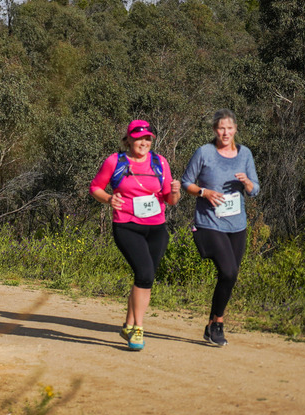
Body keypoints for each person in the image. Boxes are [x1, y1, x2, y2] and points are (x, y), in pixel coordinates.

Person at [89, 119, 180, 351]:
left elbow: (170, 199)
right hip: (127, 225)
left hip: (157, 228)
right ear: (128, 139)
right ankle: (139, 328)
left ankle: (128, 325)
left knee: (144, 278)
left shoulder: (160, 162)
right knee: (145, 274)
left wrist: (176, 193)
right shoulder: (115, 161)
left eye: (147, 138)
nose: (143, 142)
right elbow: (95, 187)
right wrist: (109, 199)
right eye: (138, 138)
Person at [180, 109, 260, 347]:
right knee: (227, 272)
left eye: (229, 128)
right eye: (221, 128)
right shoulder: (204, 152)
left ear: (235, 129)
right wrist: (204, 192)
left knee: (231, 275)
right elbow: (186, 182)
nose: (225, 132)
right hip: (209, 223)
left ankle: (211, 324)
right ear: (215, 130)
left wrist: (247, 182)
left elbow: (255, 189)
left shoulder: (245, 153)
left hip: (237, 224)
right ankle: (219, 323)